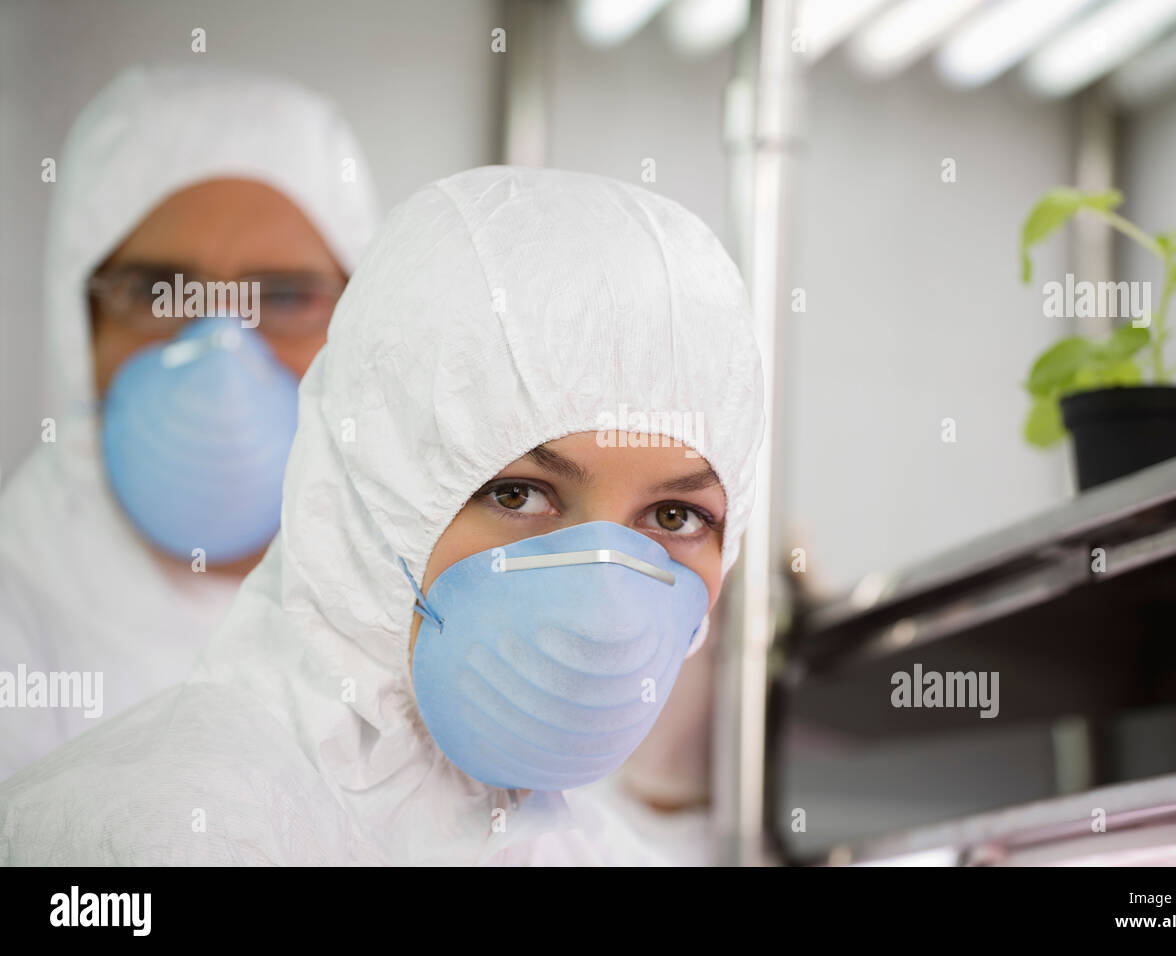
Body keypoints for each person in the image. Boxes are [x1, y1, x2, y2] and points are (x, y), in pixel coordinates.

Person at [0, 165, 764, 865]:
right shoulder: (139, 842)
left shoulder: (592, 851)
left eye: (672, 515)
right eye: (517, 494)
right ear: (372, 493)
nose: (604, 600)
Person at [0, 65, 380, 777]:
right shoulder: (17, 612)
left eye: (285, 294)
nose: (220, 346)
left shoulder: (418, 606)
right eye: (155, 291)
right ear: (74, 321)